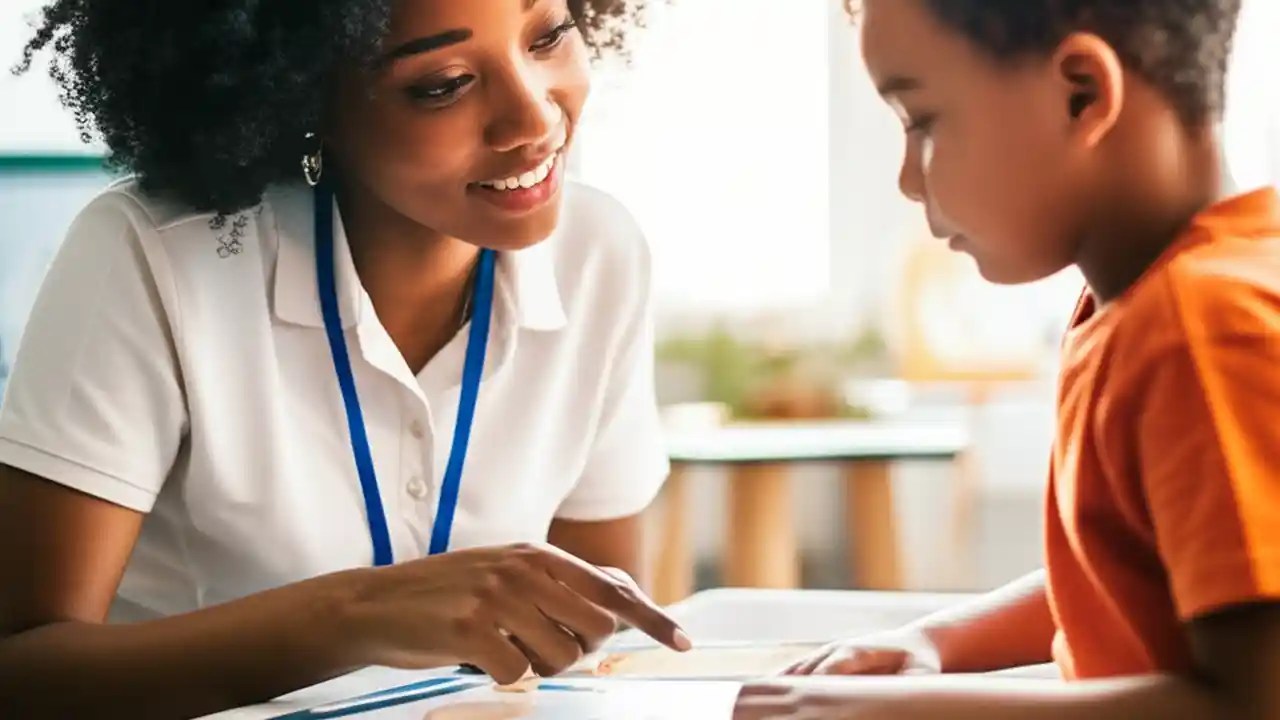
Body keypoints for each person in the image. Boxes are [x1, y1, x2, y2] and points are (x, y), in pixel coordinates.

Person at [0, 1, 692, 717]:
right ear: (307, 97)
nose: (533, 120)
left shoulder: (597, 253)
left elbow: (593, 649)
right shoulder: (153, 253)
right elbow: (22, 671)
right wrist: (358, 614)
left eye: (547, 36)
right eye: (444, 83)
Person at [736, 0, 1280, 718]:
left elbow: (1254, 700)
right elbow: (1134, 578)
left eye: (921, 121)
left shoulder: (1202, 328)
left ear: (1081, 95)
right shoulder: (1143, 301)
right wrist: (936, 641)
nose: (907, 178)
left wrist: (905, 713)